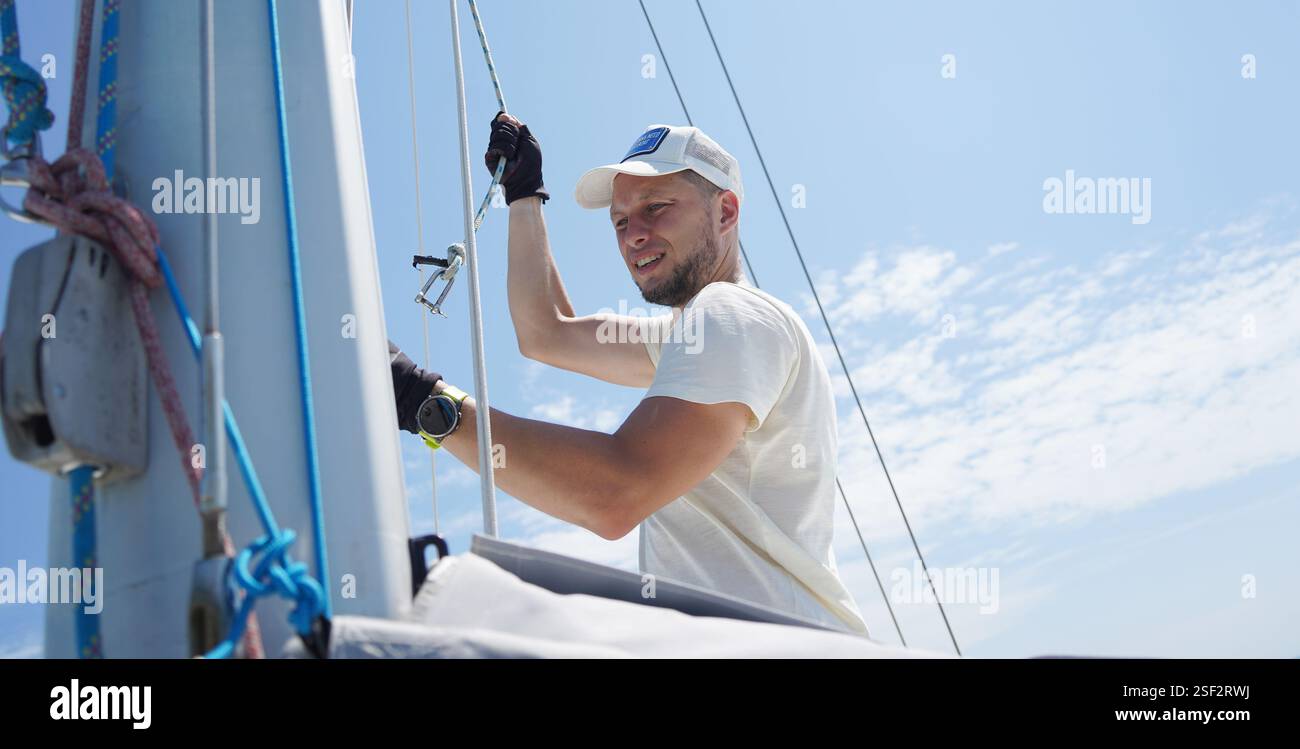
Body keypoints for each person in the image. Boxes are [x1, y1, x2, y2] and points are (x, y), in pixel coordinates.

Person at [389, 114, 867, 633]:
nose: (634, 235)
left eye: (656, 208)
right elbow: (546, 332)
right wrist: (524, 193)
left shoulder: (731, 316)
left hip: (779, 645)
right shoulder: (695, 333)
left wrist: (424, 403)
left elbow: (616, 493)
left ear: (725, 211)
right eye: (620, 221)